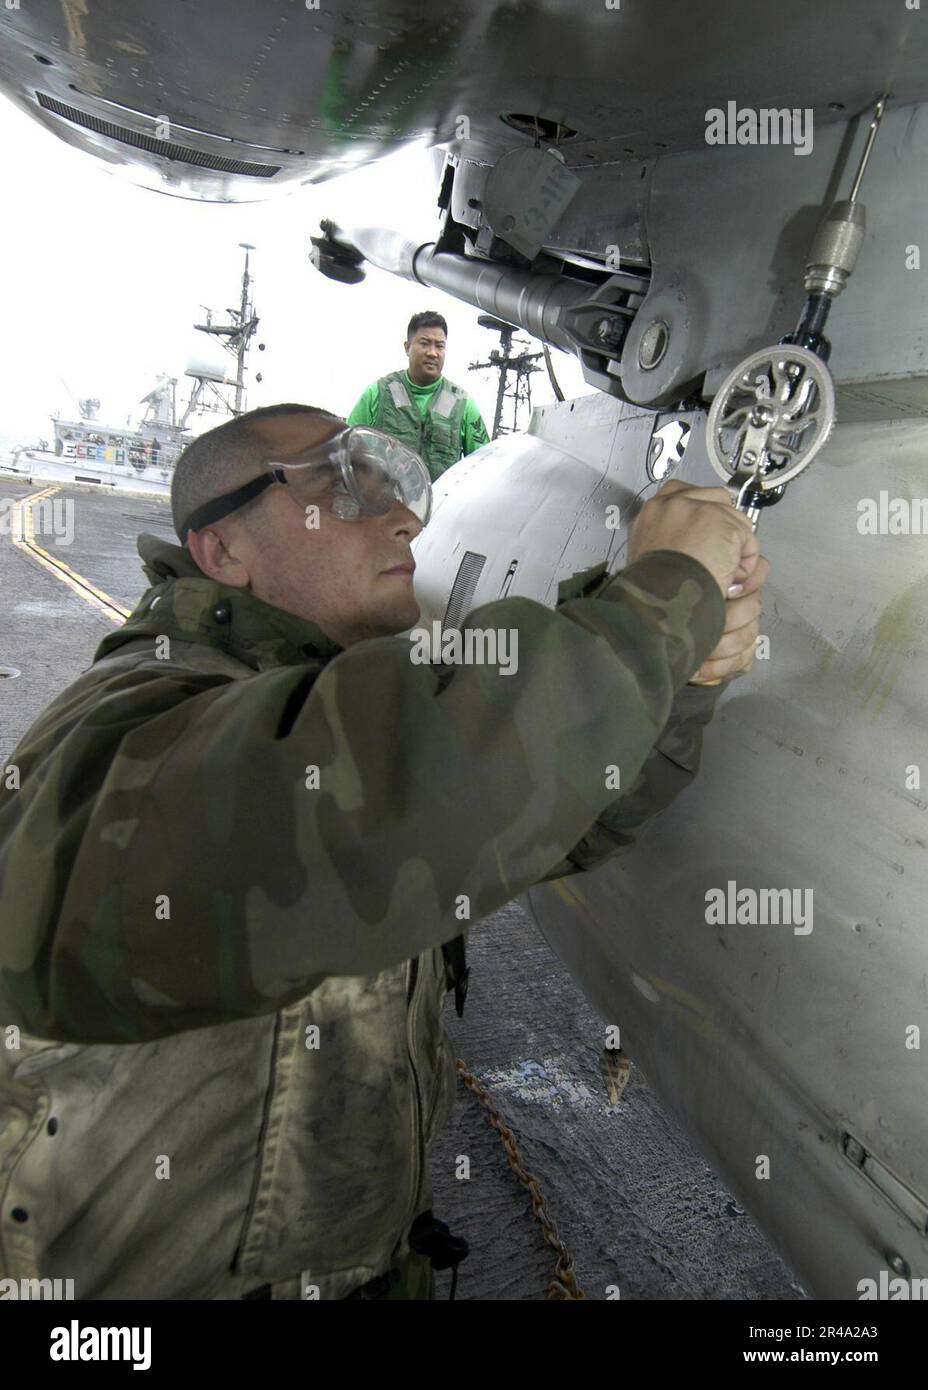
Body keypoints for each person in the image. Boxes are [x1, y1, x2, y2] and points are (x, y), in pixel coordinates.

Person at [0, 402, 767, 1301]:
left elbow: (550, 814)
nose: (404, 516)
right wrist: (658, 598)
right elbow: (407, 789)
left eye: (399, 488)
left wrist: (686, 676)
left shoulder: (316, 702)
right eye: (339, 481)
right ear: (221, 551)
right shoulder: (132, 725)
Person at [347, 311, 490, 478]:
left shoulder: (463, 405)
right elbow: (344, 449)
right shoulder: (378, 393)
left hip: (440, 503)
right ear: (407, 348)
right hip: (382, 502)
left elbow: (484, 467)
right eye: (425, 343)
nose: (432, 352)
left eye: (439, 346)